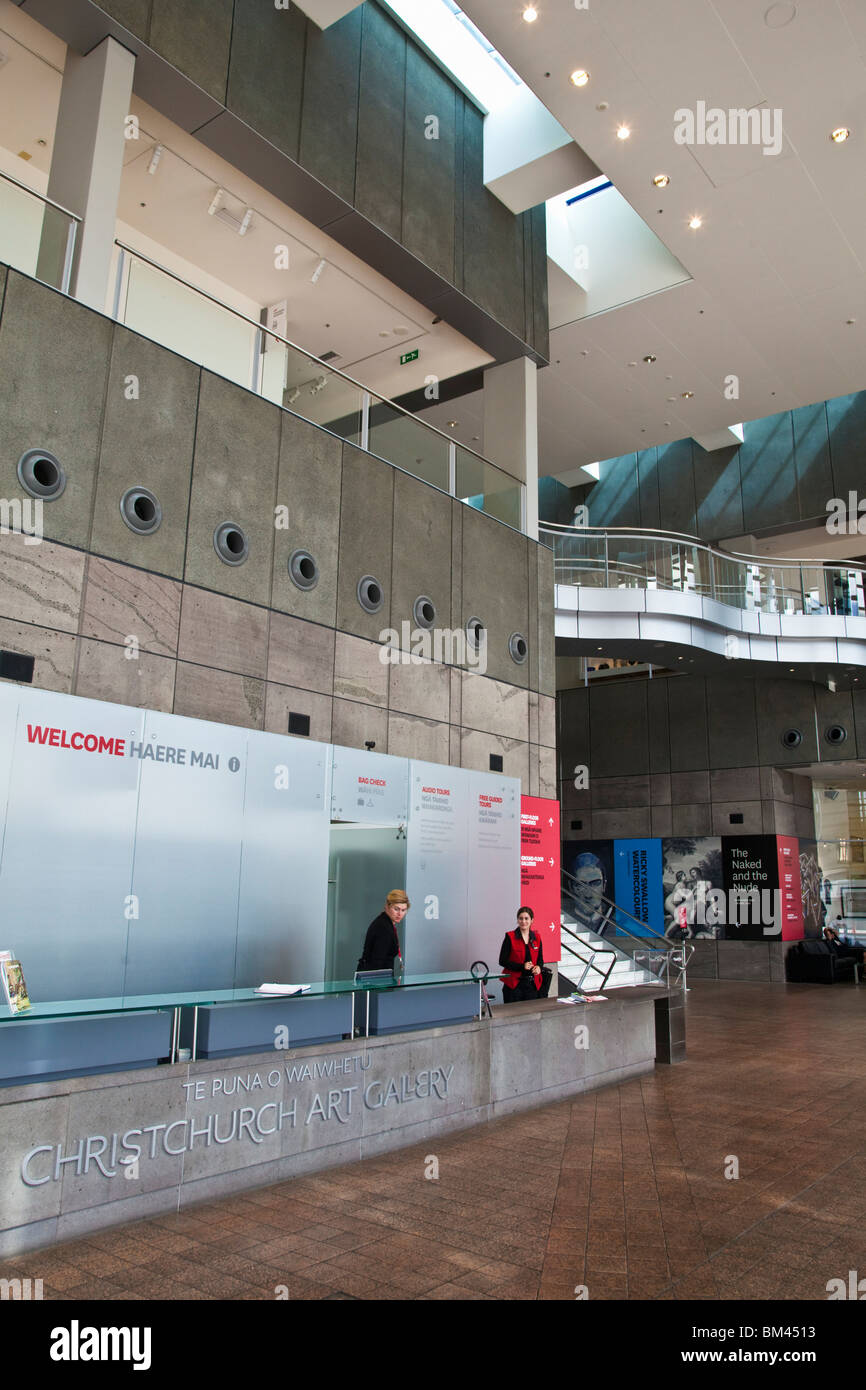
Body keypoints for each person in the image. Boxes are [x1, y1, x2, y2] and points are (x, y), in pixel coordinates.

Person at [499, 906, 550, 1003]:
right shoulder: (510, 937)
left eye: (526, 918)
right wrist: (522, 966)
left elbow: (540, 959)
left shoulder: (537, 938)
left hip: (532, 985)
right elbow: (502, 961)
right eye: (520, 918)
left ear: (532, 920)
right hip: (514, 986)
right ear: (517, 920)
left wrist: (539, 967)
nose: (523, 921)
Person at [358, 889, 409, 973]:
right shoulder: (383, 927)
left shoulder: (385, 922)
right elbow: (377, 963)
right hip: (376, 981)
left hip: (377, 979)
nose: (400, 914)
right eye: (396, 909)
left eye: (403, 910)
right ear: (387, 907)